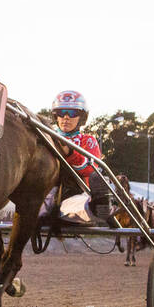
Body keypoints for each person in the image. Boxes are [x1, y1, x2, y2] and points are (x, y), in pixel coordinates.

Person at [42, 90, 110, 224]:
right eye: (61, 113)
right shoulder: (45, 137)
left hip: (74, 192)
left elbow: (90, 169)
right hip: (45, 190)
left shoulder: (87, 140)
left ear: (81, 118)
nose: (66, 117)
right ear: (56, 116)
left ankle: (97, 205)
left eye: (72, 113)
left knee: (73, 206)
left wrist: (69, 152)